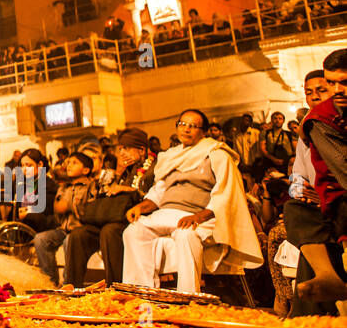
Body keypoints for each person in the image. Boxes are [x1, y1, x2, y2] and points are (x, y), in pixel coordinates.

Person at [122, 108, 262, 293]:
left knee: (186, 234)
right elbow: (158, 193)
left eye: (193, 126)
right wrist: (141, 206)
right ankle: (143, 294)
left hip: (200, 216)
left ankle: (188, 296)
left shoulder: (216, 153)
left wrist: (199, 216)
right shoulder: (170, 156)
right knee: (133, 231)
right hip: (166, 214)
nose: (186, 129)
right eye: (182, 124)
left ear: (203, 131)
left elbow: (226, 192)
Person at [64, 128, 155, 285]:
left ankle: (115, 287)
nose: (122, 153)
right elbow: (100, 191)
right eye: (120, 148)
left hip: (133, 218)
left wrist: (131, 190)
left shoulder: (153, 166)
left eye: (126, 148)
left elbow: (156, 195)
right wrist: (118, 172)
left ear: (141, 150)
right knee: (78, 235)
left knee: (109, 232)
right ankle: (72, 286)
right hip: (109, 215)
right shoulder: (113, 168)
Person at [292, 50, 347, 306]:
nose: (337, 90)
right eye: (331, 83)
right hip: (337, 199)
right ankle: (326, 282)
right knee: (297, 209)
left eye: (344, 83)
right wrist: (302, 191)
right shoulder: (319, 120)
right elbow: (343, 170)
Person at [33, 152, 97, 284]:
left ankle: (69, 282)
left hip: (81, 229)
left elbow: (90, 209)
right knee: (41, 239)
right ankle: (49, 281)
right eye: (68, 162)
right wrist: (61, 207)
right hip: (63, 228)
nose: (69, 166)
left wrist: (69, 205)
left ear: (86, 170)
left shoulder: (91, 186)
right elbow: (57, 209)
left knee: (70, 241)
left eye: (74, 163)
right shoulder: (64, 187)